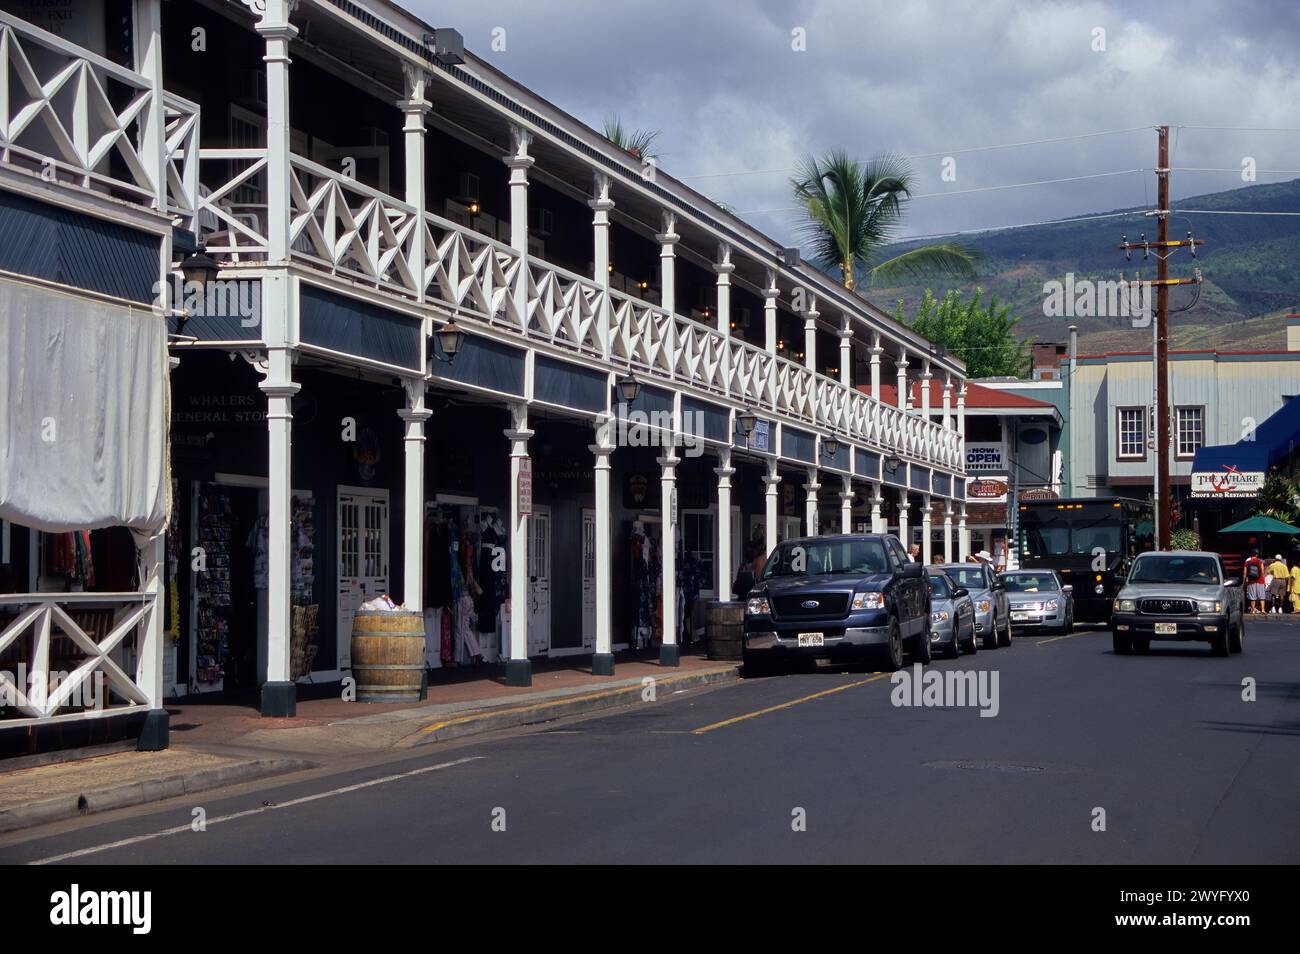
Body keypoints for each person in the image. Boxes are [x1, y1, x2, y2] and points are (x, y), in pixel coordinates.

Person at [1242, 549, 1267, 614]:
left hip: (1251, 581)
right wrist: (1264, 581)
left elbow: (1245, 573)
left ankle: (1253, 610)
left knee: (1252, 596)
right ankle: (1263, 610)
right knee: (1262, 596)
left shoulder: (1247, 562)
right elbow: (1262, 571)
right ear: (1256, 554)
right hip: (1260, 580)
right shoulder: (1260, 561)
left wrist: (1244, 581)